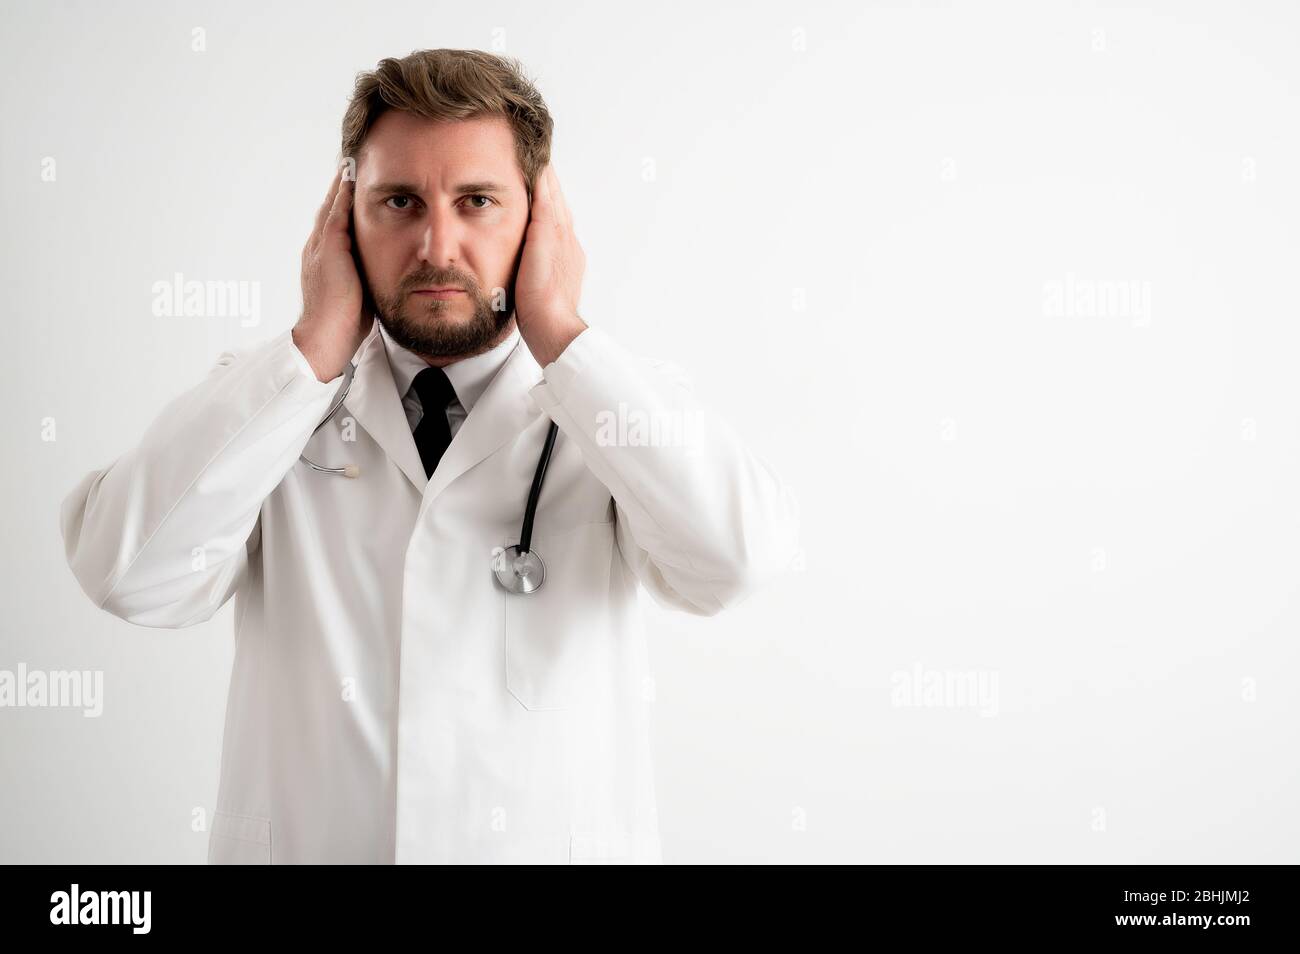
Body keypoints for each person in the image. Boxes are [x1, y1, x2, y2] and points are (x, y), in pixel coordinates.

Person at [59, 49, 801, 864]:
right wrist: (310, 354)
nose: (434, 244)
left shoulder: (615, 410)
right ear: (346, 221)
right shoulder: (271, 404)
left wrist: (562, 334)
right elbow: (128, 576)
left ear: (539, 216)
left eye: (476, 201)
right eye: (398, 202)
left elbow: (735, 563)